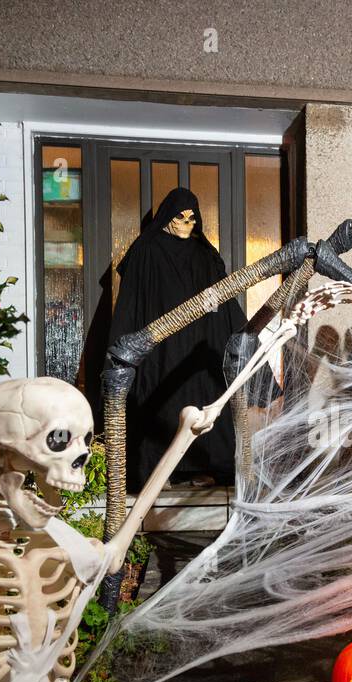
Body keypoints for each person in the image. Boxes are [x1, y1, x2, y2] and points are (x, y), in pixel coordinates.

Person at [106, 187, 244, 488]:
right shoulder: (148, 250)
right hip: (161, 350)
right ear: (167, 217)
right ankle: (159, 470)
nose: (187, 223)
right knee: (160, 404)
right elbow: (132, 301)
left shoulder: (205, 254)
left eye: (193, 218)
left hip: (197, 348)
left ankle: (204, 469)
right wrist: (121, 351)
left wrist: (243, 340)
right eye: (180, 217)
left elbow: (223, 302)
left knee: (202, 403)